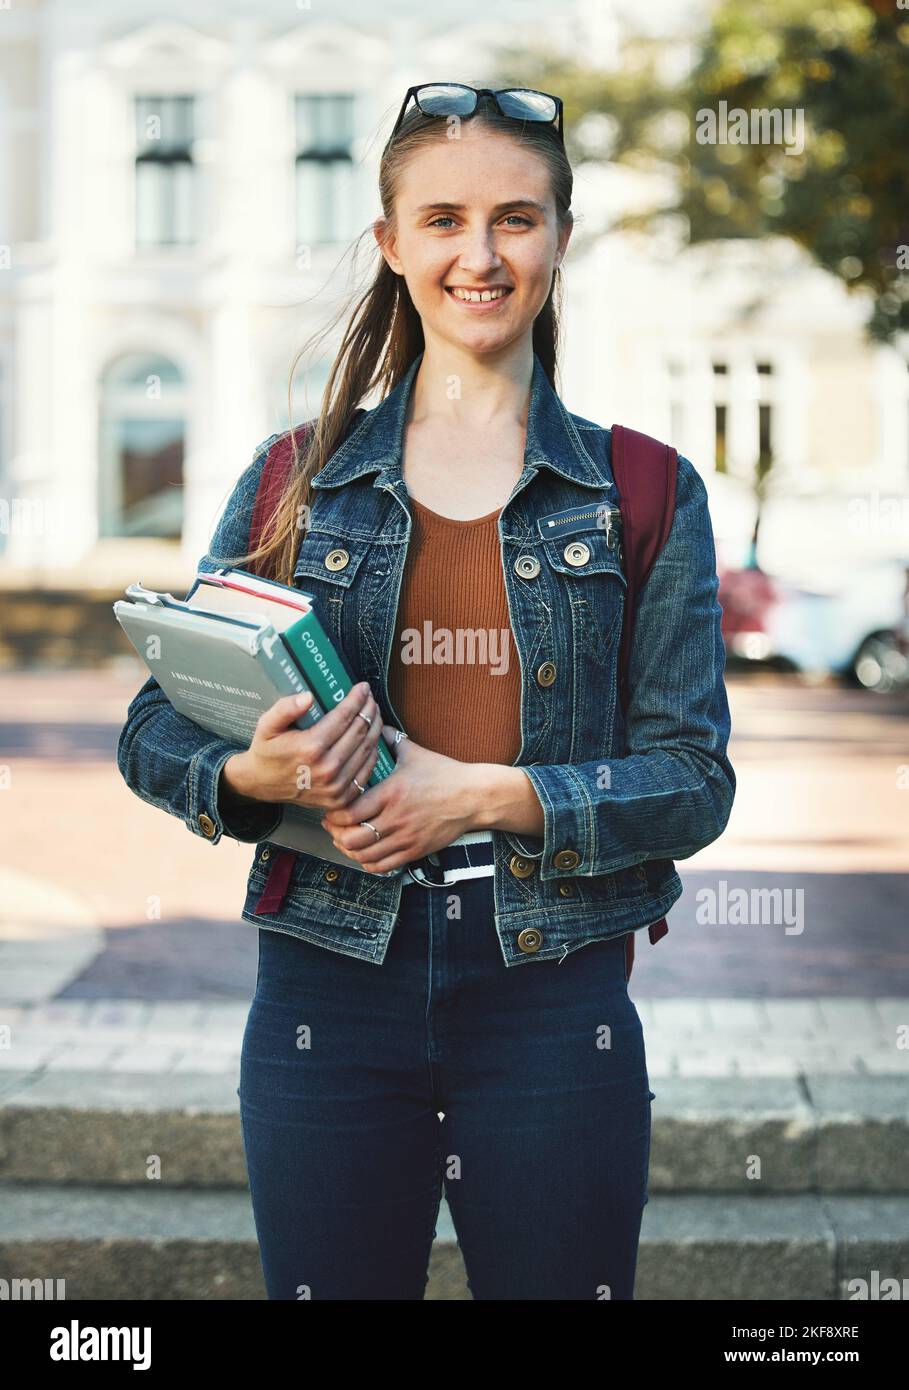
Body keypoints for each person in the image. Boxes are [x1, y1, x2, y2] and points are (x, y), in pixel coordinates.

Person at [117, 83, 736, 1300]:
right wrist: (252, 775)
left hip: (554, 993)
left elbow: (695, 782)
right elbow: (152, 728)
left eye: (516, 218)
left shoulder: (646, 490)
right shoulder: (295, 480)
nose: (482, 253)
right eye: (444, 218)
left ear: (560, 237)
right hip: (326, 991)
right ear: (394, 244)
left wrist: (483, 796)